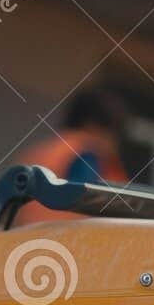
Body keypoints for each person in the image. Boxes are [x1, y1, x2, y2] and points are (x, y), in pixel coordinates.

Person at [14, 89, 130, 225]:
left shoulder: (43, 152)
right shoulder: (88, 153)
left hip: (26, 237)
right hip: (65, 240)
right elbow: (89, 205)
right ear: (94, 126)